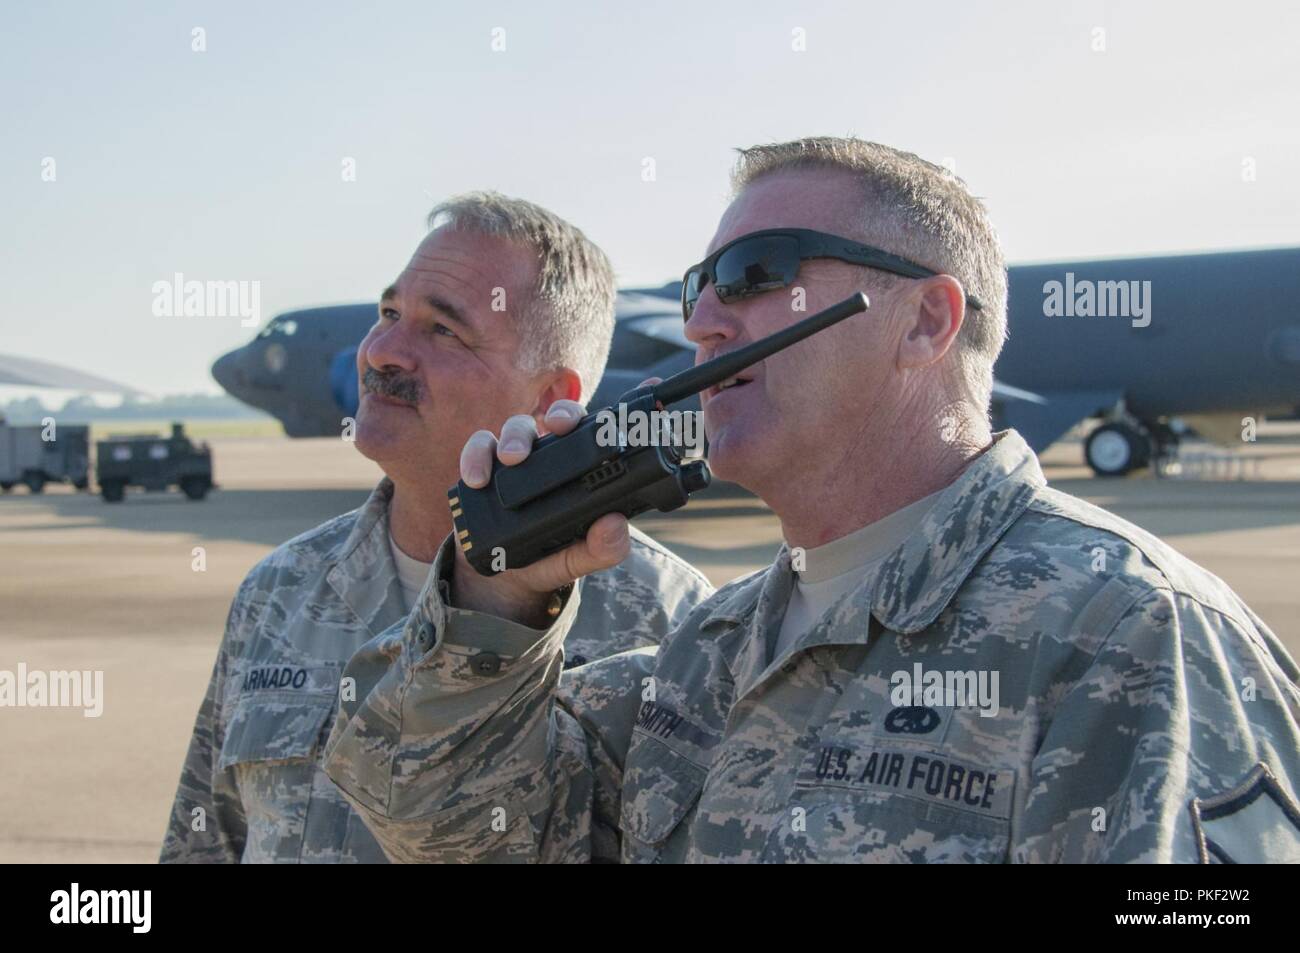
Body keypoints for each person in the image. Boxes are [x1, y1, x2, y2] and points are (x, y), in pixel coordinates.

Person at [324, 139, 1300, 863]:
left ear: (923, 320)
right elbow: (443, 831)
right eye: (703, 283)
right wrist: (499, 604)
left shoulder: (1130, 627)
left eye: (757, 274)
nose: (704, 321)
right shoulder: (711, 650)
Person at [160, 193, 713, 863]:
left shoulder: (671, 618)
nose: (383, 350)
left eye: (442, 329)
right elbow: (206, 843)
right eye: (390, 313)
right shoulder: (279, 593)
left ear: (551, 397)